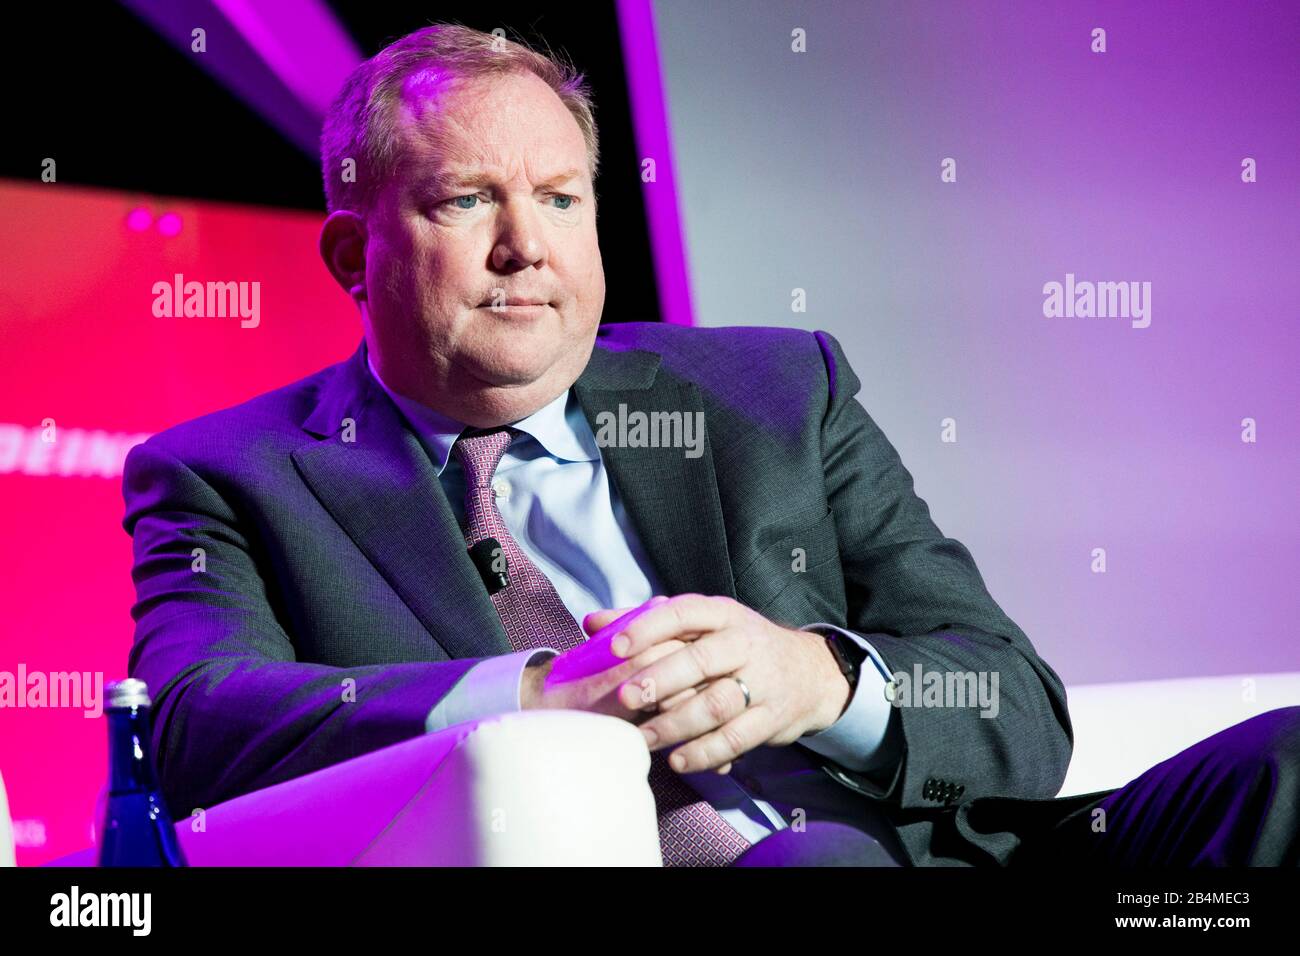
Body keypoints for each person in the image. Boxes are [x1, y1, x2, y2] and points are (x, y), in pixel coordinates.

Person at [121, 23, 1299, 868]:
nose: (527, 245)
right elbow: (197, 723)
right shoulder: (231, 472)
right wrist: (533, 695)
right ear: (348, 256)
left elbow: (1013, 705)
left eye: (563, 197)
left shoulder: (777, 390)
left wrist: (817, 679)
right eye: (467, 201)